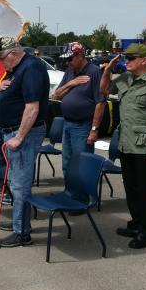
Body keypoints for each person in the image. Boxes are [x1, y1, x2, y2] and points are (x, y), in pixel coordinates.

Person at [101, 43, 146, 249]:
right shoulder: (126, 77)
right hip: (126, 142)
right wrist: (107, 70)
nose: (127, 61)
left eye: (131, 58)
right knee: (131, 187)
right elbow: (104, 90)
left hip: (144, 144)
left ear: (144, 60)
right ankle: (136, 223)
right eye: (126, 58)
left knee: (144, 189)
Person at [0, 37, 50, 247]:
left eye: (1, 58)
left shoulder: (31, 67)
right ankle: (20, 222)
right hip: (13, 131)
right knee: (16, 181)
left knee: (20, 184)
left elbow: (32, 108)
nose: (0, 63)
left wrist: (19, 137)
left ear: (13, 53)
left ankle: (22, 232)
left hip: (24, 134)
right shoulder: (18, 68)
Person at [51, 42, 105, 188]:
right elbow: (56, 95)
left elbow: (100, 103)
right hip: (68, 123)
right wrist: (72, 83)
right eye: (65, 60)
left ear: (80, 55)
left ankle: (82, 197)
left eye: (70, 59)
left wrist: (94, 130)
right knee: (67, 162)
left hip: (83, 125)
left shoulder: (94, 72)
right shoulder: (70, 72)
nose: (67, 63)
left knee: (82, 164)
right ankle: (70, 192)